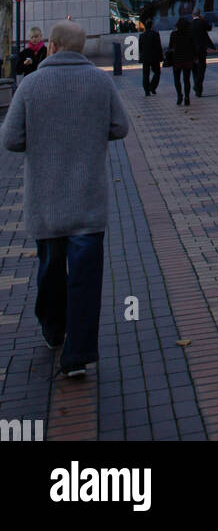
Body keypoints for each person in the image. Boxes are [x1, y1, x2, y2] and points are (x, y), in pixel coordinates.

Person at [0, 20, 129, 379]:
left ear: (52, 46)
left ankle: (53, 328)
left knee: (50, 268)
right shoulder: (101, 82)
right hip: (88, 202)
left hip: (46, 201)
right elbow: (120, 127)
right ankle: (79, 355)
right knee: (86, 280)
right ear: (82, 48)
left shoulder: (31, 84)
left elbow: (11, 139)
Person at [168, 17, 196, 106]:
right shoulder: (190, 34)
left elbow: (170, 46)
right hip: (187, 59)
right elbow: (193, 47)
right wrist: (195, 57)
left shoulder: (173, 34)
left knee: (177, 79)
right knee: (186, 79)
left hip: (176, 60)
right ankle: (187, 98)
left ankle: (179, 96)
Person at [190, 11, 215, 98]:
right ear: (199, 14)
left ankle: (197, 86)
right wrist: (203, 19)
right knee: (202, 67)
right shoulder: (203, 22)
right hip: (201, 49)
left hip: (192, 50)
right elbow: (209, 28)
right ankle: (198, 87)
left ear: (192, 15)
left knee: (194, 69)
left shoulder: (190, 24)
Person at [137, 18, 163, 97]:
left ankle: (146, 91)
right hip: (155, 57)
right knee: (157, 73)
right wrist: (161, 56)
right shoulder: (156, 34)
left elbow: (140, 47)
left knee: (145, 74)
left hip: (145, 57)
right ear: (152, 26)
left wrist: (141, 55)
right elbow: (159, 46)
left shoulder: (142, 35)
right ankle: (152, 86)